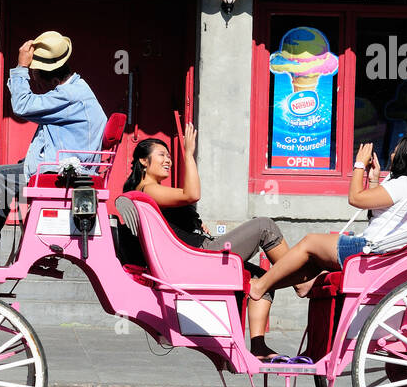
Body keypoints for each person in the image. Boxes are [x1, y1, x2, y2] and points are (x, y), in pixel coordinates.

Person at [124, 131, 290, 359]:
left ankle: (258, 347)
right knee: (264, 226)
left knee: (264, 280)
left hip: (198, 252)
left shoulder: (150, 192)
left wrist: (194, 225)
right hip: (200, 255)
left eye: (170, 156)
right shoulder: (147, 190)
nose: (168, 160)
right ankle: (301, 278)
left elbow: (180, 216)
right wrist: (189, 154)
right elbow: (192, 194)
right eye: (162, 155)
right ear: (143, 160)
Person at [0, 31, 106, 267]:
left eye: (35, 77)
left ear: (50, 78)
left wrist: (21, 68)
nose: (34, 83)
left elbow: (22, 105)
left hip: (60, 177)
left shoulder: (71, 95)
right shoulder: (74, 90)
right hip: (60, 171)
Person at [248, 135, 407, 303]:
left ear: (405, 157)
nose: (392, 155)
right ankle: (297, 285)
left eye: (395, 152)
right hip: (381, 249)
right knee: (314, 259)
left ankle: (261, 285)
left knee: (310, 241)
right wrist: (374, 179)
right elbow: (379, 213)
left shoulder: (403, 185)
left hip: (371, 250)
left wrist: (359, 165)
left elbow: (356, 198)